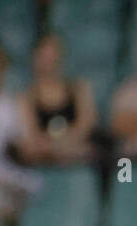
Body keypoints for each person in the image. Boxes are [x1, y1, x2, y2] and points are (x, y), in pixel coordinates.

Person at [17, 34, 97, 166]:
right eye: (44, 56)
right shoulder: (26, 97)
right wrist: (61, 149)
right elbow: (30, 139)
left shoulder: (79, 89)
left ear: (62, 57)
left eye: (53, 55)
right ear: (35, 58)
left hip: (76, 163)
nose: (49, 61)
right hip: (44, 163)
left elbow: (86, 126)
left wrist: (59, 146)